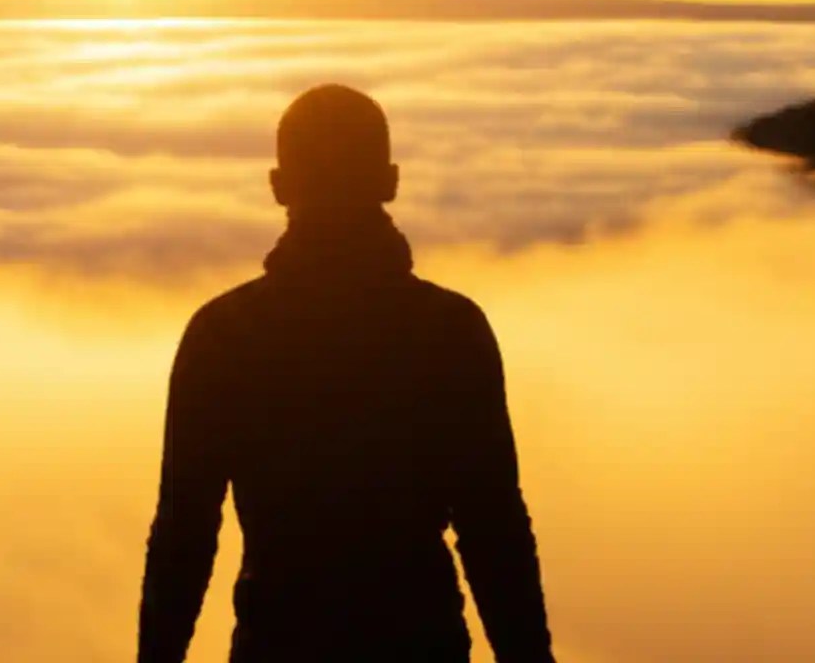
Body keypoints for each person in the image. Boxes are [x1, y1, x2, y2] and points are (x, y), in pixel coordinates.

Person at [138, 85, 555, 663]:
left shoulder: (223, 334)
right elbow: (493, 529)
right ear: (390, 181)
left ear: (279, 186)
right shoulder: (451, 330)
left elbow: (183, 533)